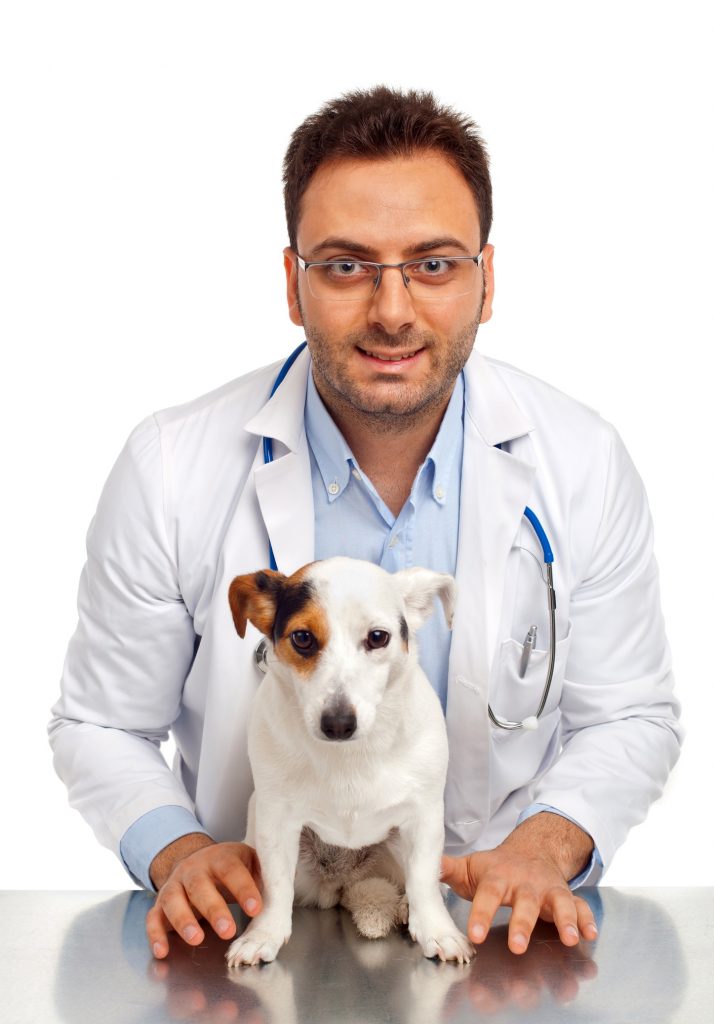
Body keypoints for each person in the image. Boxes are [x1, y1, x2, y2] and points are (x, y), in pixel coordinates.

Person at [49, 85, 682, 961]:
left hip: (494, 935)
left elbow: (629, 715)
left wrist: (545, 845)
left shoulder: (581, 460)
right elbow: (102, 724)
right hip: (261, 932)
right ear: (292, 280)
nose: (392, 311)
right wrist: (178, 850)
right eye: (347, 266)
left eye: (434, 264)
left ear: (487, 280)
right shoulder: (170, 467)